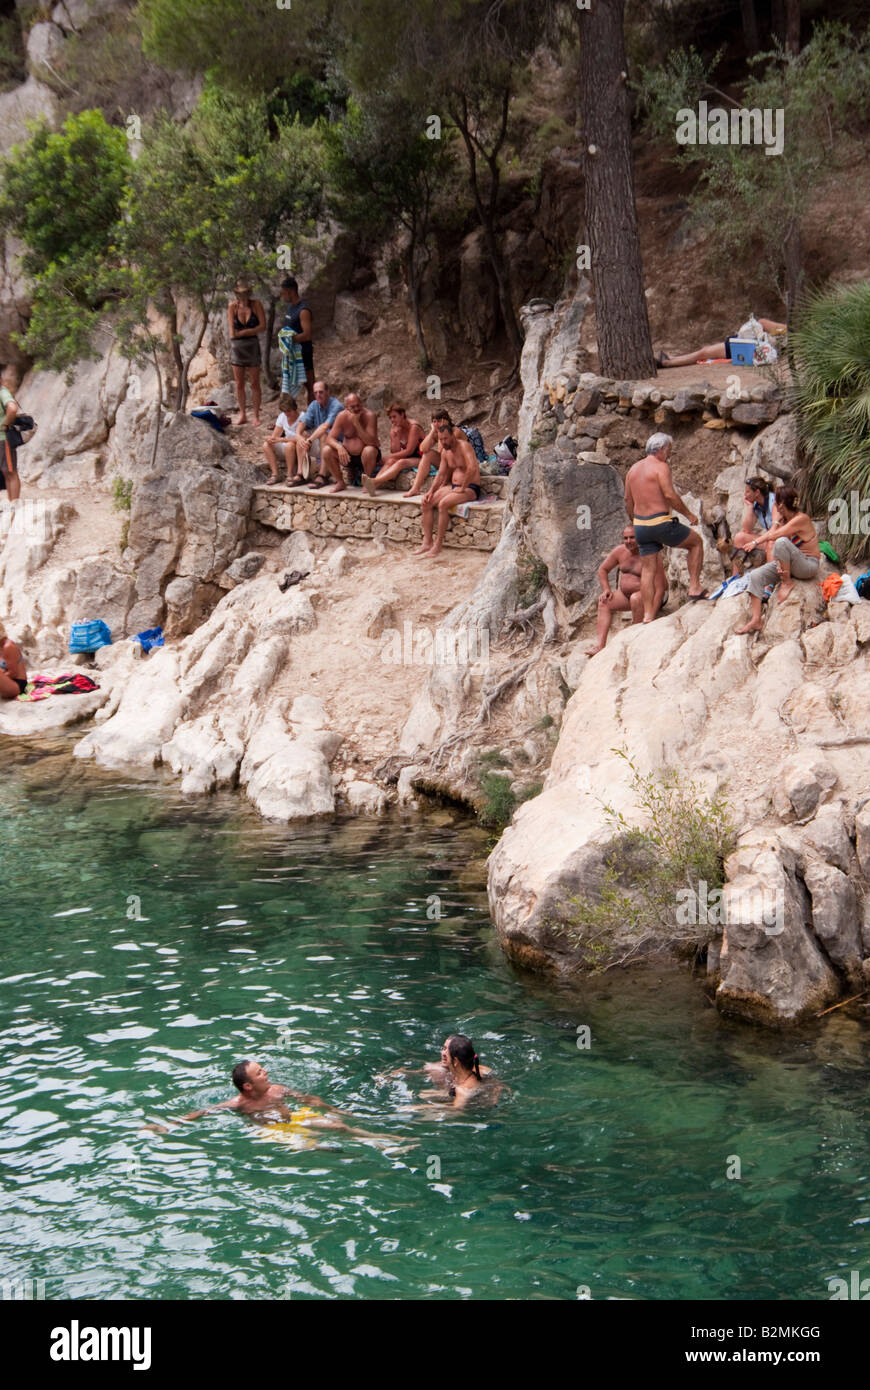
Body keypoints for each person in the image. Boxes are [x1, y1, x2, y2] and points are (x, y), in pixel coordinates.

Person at [142, 1059, 412, 1150]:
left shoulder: (278, 1090)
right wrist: (169, 1125)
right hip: (270, 1131)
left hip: (292, 1119)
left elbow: (311, 1101)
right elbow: (202, 1112)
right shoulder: (238, 1103)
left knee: (338, 1126)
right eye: (260, 1073)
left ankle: (383, 1140)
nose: (266, 1073)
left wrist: (338, 1111)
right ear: (247, 1086)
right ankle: (363, 1149)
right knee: (316, 1144)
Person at [624, 433, 707, 618]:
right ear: (661, 449)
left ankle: (647, 615)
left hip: (641, 526)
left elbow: (628, 500)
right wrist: (689, 514)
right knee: (696, 543)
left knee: (648, 569)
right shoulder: (661, 467)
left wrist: (635, 521)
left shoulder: (633, 470)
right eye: (668, 449)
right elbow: (670, 495)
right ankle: (694, 586)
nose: (669, 454)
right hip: (660, 522)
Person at [735, 486, 820, 634]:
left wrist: (755, 542)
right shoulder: (784, 519)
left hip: (808, 565)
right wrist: (780, 562)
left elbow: (776, 536)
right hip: (793, 563)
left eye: (775, 503)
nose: (774, 506)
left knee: (780, 542)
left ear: (780, 505)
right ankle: (756, 620)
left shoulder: (801, 519)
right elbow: (772, 533)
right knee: (755, 576)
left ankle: (786, 582)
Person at [586, 526, 667, 656]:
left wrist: (652, 613)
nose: (628, 541)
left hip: (650, 596)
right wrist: (606, 589)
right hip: (626, 595)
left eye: (632, 537)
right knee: (604, 602)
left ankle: (635, 635)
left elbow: (660, 588)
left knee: (636, 598)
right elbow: (602, 570)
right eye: (625, 538)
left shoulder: (651, 554)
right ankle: (600, 645)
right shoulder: (620, 551)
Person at [415, 416, 481, 559]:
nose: (443, 442)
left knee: (444, 504)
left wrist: (462, 488)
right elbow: (440, 475)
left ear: (452, 436)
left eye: (445, 439)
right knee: (426, 502)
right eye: (440, 440)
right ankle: (427, 542)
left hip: (470, 487)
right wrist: (430, 491)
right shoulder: (445, 452)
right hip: (454, 486)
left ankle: (438, 545)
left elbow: (472, 467)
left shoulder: (464, 446)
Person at [656, 318, 786, 368]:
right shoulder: (786, 335)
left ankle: (668, 362)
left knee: (703, 353)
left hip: (743, 345)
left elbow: (762, 322)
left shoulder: (787, 334)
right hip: (742, 343)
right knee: (704, 352)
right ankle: (672, 359)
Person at [322, 392, 381, 492]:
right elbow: (329, 438)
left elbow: (372, 442)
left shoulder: (370, 416)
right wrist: (339, 447)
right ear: (346, 407)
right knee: (326, 450)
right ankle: (340, 482)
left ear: (361, 403)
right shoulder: (341, 416)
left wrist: (357, 424)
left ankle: (367, 482)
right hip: (348, 458)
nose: (357, 409)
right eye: (353, 407)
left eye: (358, 405)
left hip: (367, 457)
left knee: (369, 450)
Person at [361, 403, 425, 495]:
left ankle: (374, 481)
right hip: (410, 457)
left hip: (422, 457)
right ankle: (373, 486)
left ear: (402, 414)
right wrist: (397, 437)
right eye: (390, 418)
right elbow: (395, 451)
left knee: (400, 462)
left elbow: (409, 451)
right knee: (390, 462)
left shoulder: (414, 427)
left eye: (394, 417)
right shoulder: (395, 429)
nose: (392, 420)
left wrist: (388, 457)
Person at [227, 281, 266, 426]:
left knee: (255, 383)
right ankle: (242, 413)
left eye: (244, 292)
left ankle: (256, 415)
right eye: (239, 293)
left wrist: (245, 332)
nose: (242, 295)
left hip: (252, 346)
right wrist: (239, 334)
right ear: (236, 293)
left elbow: (263, 325)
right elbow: (232, 332)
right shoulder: (232, 307)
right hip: (237, 348)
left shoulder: (256, 305)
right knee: (239, 383)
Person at [295, 381, 343, 487]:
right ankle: (301, 473)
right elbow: (302, 422)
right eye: (315, 392)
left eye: (321, 392)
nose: (318, 395)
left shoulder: (336, 406)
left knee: (324, 435)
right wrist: (298, 435)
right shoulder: (314, 405)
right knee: (302, 436)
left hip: (338, 444)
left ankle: (323, 475)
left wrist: (310, 440)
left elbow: (325, 427)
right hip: (321, 443)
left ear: (328, 392)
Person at [728, 476, 776, 576]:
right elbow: (746, 529)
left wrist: (755, 542)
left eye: (748, 492)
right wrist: (750, 507)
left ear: (757, 492)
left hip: (781, 538)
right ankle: (735, 576)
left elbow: (776, 530)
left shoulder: (773, 502)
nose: (745, 495)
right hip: (770, 538)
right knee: (740, 537)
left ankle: (771, 579)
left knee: (771, 542)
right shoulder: (757, 505)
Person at [278, 276, 315, 404]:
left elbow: (307, 334)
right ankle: (292, 418)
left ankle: (313, 414)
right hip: (291, 354)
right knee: (290, 385)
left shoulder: (303, 310)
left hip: (303, 352)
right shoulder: (291, 308)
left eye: (283, 293)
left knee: (310, 386)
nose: (282, 296)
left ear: (291, 291)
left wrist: (289, 340)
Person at [261, 394, 302, 485]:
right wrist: (270, 439)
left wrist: (282, 440)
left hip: (297, 449)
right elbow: (275, 435)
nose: (287, 414)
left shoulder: (302, 417)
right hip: (285, 445)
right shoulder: (282, 416)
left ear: (294, 408)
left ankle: (290, 474)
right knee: (266, 445)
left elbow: (300, 439)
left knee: (290, 445)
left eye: (289, 411)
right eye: (285, 411)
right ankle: (275, 474)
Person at [0, 368, 21, 503]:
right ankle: (11, 506)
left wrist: (5, 425)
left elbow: (12, 408)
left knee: (11, 473)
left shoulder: (2, 392)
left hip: (4, 439)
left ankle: (15, 508)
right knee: (6, 473)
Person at [0, 621, 27, 700]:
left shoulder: (8, 647)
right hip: (8, 681)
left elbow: (13, 674)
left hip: (17, 685)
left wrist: (2, 675)